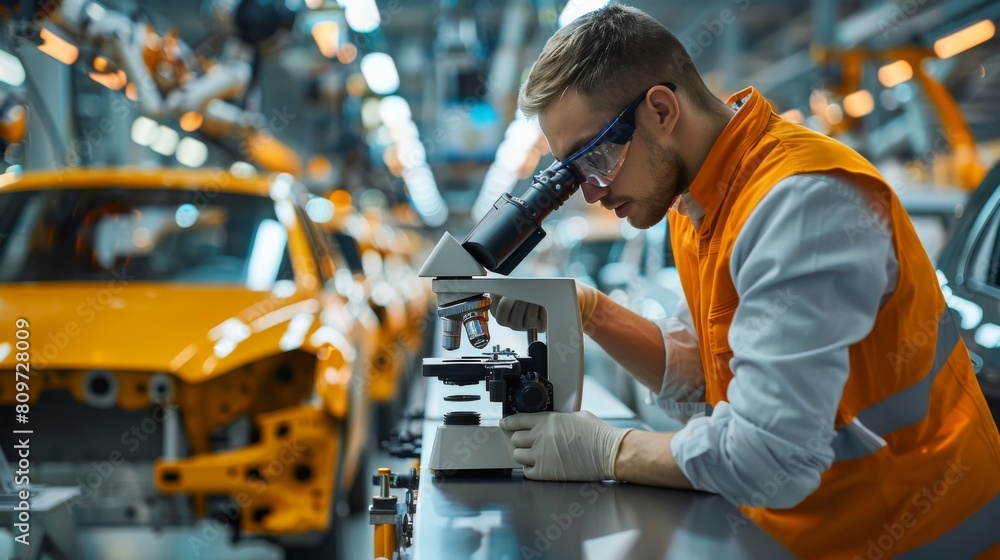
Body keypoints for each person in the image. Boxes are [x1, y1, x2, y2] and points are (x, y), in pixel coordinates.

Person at [493, 4, 1000, 558]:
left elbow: (769, 453)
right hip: (816, 535)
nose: (590, 192)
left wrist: (608, 452)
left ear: (661, 110)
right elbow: (706, 374)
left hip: (925, 538)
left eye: (593, 159)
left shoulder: (800, 203)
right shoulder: (699, 203)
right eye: (570, 176)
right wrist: (588, 310)